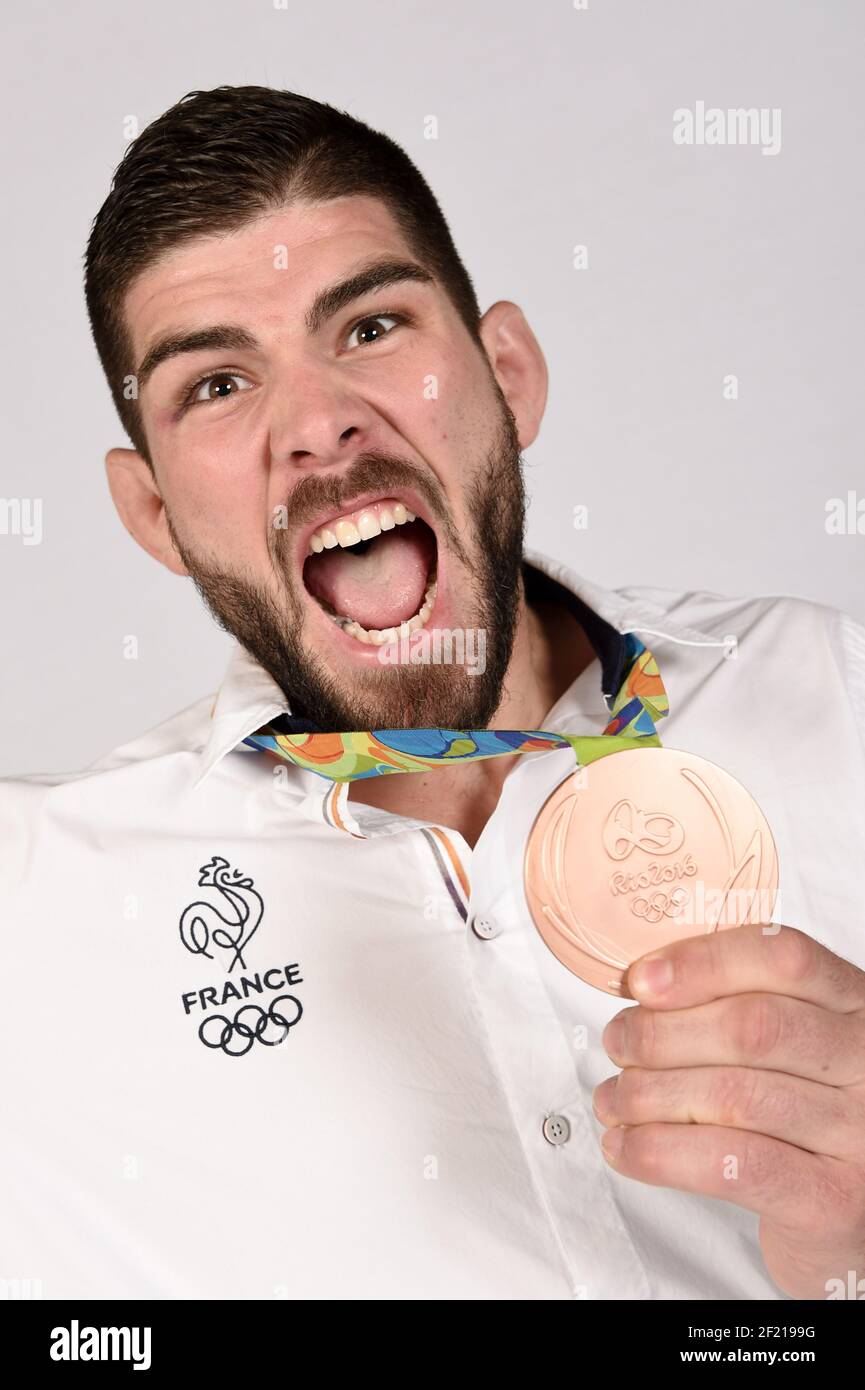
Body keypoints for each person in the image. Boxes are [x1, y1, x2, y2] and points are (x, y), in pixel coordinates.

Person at [2, 84, 864, 1302]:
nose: (317, 424)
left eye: (368, 328)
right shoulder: (33, 913)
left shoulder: (835, 695)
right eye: (215, 385)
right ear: (154, 514)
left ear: (507, 374)